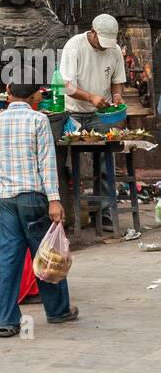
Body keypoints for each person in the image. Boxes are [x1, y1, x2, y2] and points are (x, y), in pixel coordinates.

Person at [0, 80, 77, 337]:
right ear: (36, 96)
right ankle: (57, 310)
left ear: (8, 93)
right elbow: (47, 163)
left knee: (8, 259)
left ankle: (6, 319)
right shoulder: (39, 121)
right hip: (33, 197)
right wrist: (54, 200)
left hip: (8, 200)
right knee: (45, 255)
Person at [59, 13, 126, 224]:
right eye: (101, 42)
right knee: (66, 157)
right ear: (93, 33)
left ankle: (105, 210)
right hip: (73, 111)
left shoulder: (114, 51)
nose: (105, 47)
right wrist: (90, 97)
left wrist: (116, 96)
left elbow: (117, 79)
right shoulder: (75, 46)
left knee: (106, 156)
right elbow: (67, 85)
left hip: (101, 113)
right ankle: (69, 208)